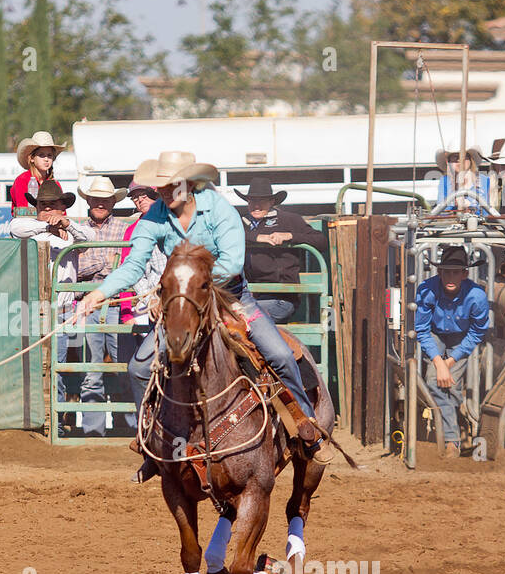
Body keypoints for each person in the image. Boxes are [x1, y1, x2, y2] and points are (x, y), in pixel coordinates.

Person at [76, 150, 332, 467]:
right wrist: (98, 294)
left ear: (190, 184)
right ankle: (152, 439)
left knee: (279, 354)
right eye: (162, 187)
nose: (166, 193)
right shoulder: (155, 216)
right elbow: (132, 265)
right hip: (185, 303)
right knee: (139, 369)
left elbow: (233, 262)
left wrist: (195, 282)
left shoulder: (218, 210)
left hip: (230, 296)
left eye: (172, 186)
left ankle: (306, 424)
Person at [8, 180, 91, 435]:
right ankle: (32, 419)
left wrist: (66, 225)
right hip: (32, 308)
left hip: (63, 310)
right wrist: (48, 225)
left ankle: (55, 421)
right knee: (32, 365)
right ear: (37, 208)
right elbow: (15, 228)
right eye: (43, 205)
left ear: (63, 207)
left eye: (53, 205)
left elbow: (90, 238)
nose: (48, 210)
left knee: (58, 365)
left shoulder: (74, 233)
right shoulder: (34, 229)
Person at [413, 245, 490, 458]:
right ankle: (453, 439)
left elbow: (477, 332)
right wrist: (439, 363)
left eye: (456, 272)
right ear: (439, 272)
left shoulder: (476, 296)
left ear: (465, 274)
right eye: (446, 271)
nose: (451, 276)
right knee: (434, 381)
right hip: (434, 335)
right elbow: (422, 329)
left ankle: (455, 427)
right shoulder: (427, 290)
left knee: (451, 386)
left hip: (461, 338)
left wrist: (452, 360)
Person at [74, 176, 132, 437]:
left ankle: (129, 427)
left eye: (105, 200)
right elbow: (76, 269)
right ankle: (93, 431)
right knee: (92, 368)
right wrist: (104, 264)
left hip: (118, 304)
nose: (100, 204)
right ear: (88, 201)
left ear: (112, 202)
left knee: (125, 365)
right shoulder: (76, 230)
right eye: (95, 199)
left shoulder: (124, 228)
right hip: (89, 304)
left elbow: (128, 265)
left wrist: (94, 263)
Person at [233, 178, 327, 323]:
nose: (256, 205)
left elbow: (321, 241)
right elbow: (224, 237)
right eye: (252, 200)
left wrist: (290, 236)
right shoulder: (240, 223)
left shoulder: (289, 220)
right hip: (248, 296)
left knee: (239, 316)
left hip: (281, 298)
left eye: (262, 200)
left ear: (272, 202)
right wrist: (257, 237)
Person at [116, 169, 164, 432]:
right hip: (149, 305)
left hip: (180, 303)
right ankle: (146, 427)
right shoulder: (135, 230)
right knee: (139, 369)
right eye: (135, 197)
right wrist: (151, 296)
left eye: (143, 195)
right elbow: (135, 269)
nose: (139, 200)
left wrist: (163, 293)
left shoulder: (176, 224)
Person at [10, 131, 66, 213]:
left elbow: (62, 211)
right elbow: (22, 211)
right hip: (25, 224)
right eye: (41, 155)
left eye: (49, 155)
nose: (46, 159)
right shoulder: (22, 180)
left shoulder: (55, 183)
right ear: (32, 158)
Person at [433, 143, 490, 213]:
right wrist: (454, 205)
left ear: (470, 159)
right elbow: (441, 212)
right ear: (448, 162)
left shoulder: (485, 180)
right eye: (454, 157)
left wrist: (470, 207)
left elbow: (489, 212)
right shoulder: (444, 181)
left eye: (463, 156)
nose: (459, 160)